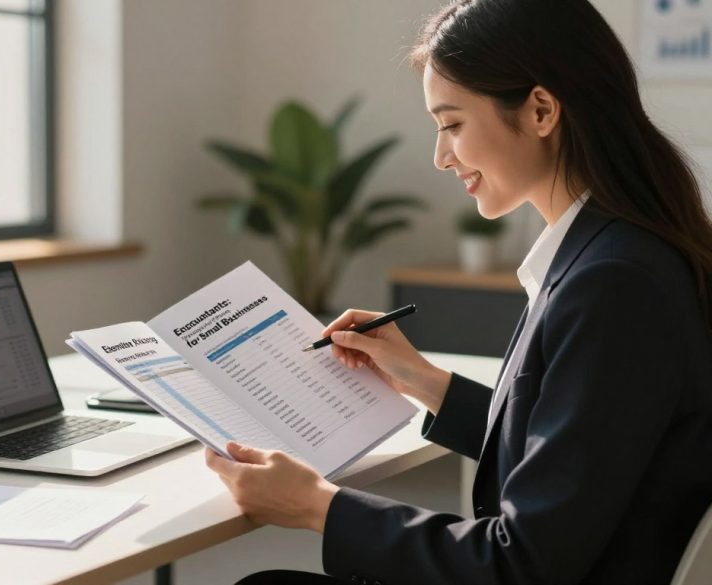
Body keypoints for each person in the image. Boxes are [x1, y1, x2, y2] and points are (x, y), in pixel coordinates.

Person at [204, 1, 712, 583]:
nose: (441, 156)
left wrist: (319, 506)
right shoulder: (620, 253)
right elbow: (581, 454)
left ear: (541, 109)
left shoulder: (613, 283)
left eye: (451, 124)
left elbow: (522, 562)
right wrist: (424, 381)